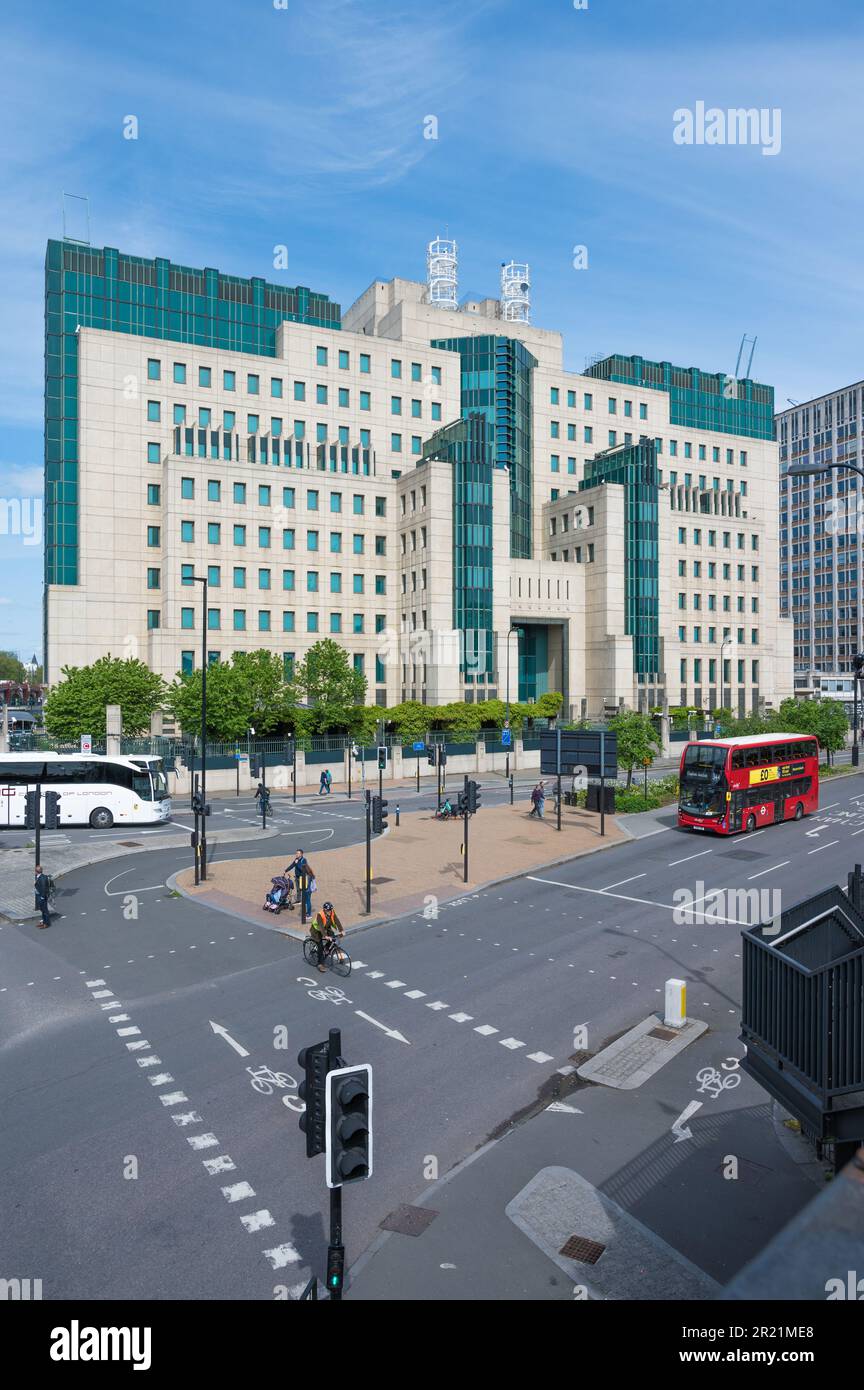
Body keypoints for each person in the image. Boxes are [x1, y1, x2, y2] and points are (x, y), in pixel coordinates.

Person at [310, 900, 344, 972]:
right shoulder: (320, 915)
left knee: (333, 937)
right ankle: (320, 964)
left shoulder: (332, 912)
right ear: (325, 910)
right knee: (320, 947)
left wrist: (341, 930)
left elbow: (336, 920)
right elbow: (321, 926)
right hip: (316, 931)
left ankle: (326, 948)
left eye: (330, 910)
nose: (330, 911)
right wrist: (325, 936)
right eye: (328, 910)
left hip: (326, 928)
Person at [34, 863, 51, 929]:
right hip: (39, 895)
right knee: (42, 909)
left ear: (36, 872)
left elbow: (44, 888)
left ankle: (47, 923)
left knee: (45, 910)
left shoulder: (42, 878)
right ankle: (44, 922)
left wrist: (42, 897)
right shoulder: (39, 876)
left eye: (35, 871)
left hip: (42, 896)